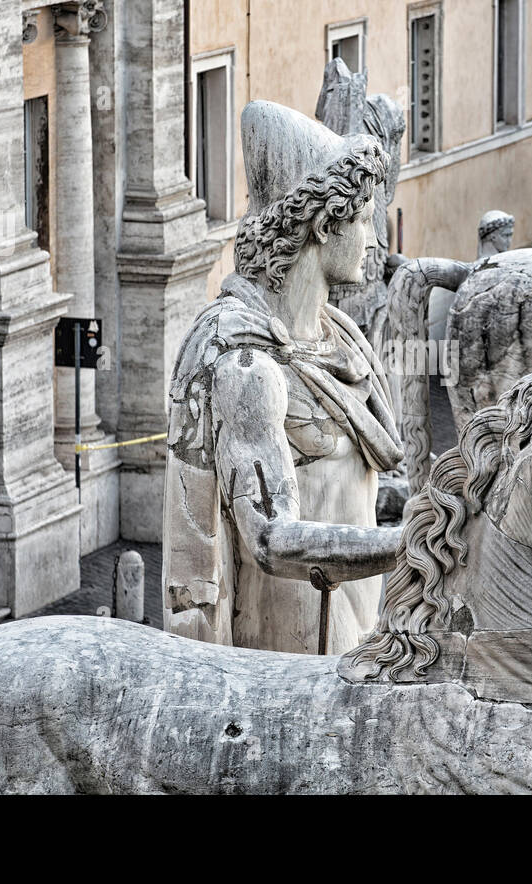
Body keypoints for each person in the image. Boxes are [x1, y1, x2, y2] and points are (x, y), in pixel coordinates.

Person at [163, 100, 404, 654]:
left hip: (359, 618)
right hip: (291, 645)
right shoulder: (249, 366)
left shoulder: (340, 339)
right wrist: (416, 541)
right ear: (325, 224)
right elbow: (273, 538)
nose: (374, 240)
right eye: (366, 220)